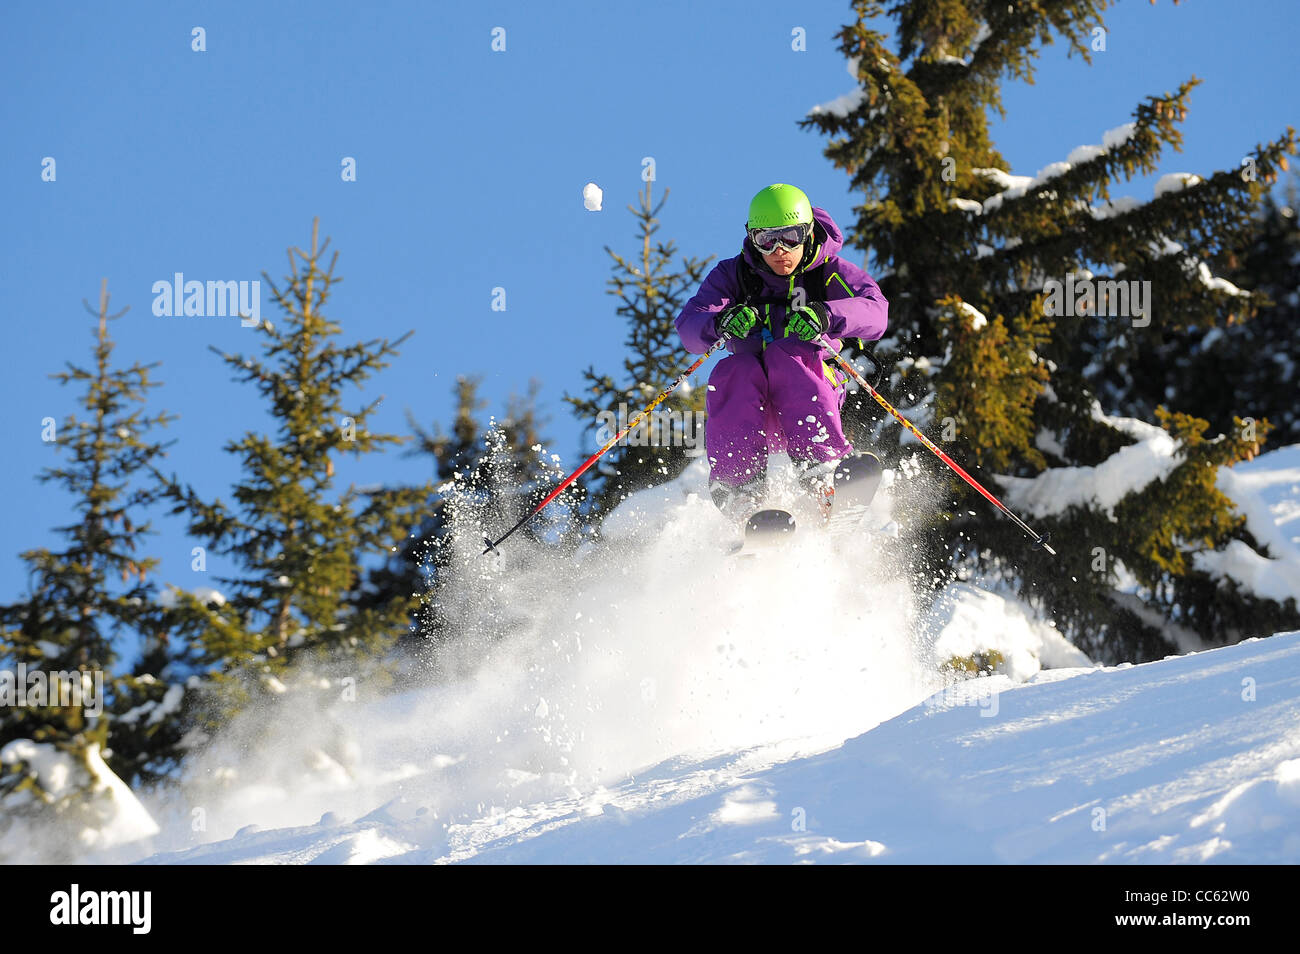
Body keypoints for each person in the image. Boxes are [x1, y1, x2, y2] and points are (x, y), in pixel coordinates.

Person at [675, 183, 888, 517]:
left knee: (785, 353)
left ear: (807, 232)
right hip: (753, 408)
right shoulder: (735, 276)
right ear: (752, 237)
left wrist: (827, 314)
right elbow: (689, 327)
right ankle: (741, 492)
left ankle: (823, 471)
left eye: (790, 237)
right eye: (766, 239)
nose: (778, 249)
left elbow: (876, 313)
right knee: (734, 369)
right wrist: (720, 322)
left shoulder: (828, 273)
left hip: (811, 392)